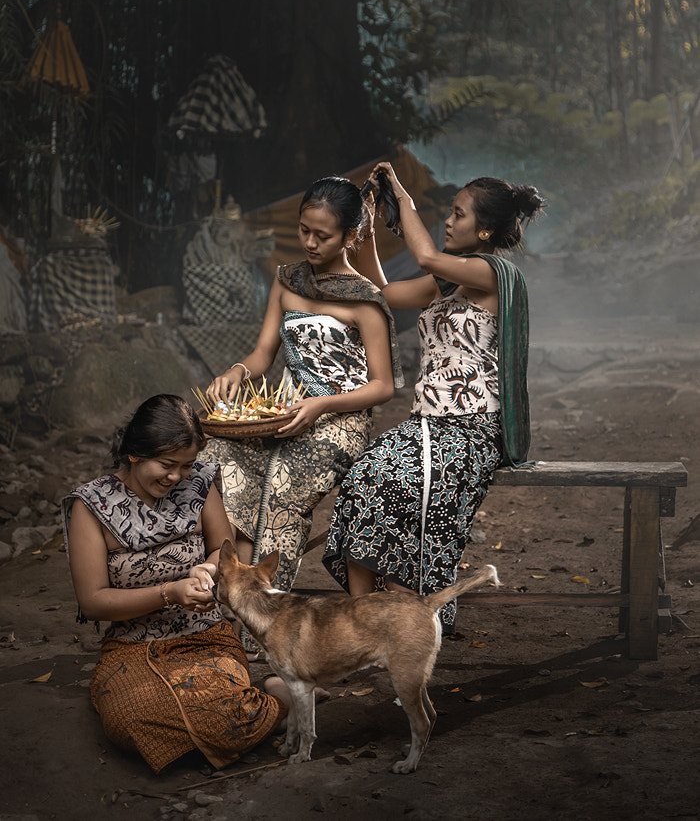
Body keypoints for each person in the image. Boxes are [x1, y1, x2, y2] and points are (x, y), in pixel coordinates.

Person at [323, 162, 544, 633]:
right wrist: (363, 233)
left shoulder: (491, 273)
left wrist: (403, 198)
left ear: (484, 231)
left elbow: (424, 258)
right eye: (448, 212)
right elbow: (382, 292)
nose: (448, 220)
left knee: (396, 485)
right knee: (363, 480)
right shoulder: (448, 282)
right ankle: (368, 620)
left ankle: (409, 613)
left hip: (472, 427)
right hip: (429, 423)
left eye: (458, 214)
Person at [61, 394, 289, 774]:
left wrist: (207, 570)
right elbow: (93, 601)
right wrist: (170, 594)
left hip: (206, 637)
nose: (176, 477)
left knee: (221, 712)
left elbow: (222, 549)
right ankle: (274, 704)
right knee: (131, 722)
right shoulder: (92, 505)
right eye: (167, 465)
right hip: (133, 648)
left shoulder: (199, 484)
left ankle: (275, 700)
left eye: (186, 466)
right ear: (134, 453)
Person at [203, 176, 403, 604]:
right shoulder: (287, 280)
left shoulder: (365, 299)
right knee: (217, 464)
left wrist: (322, 405)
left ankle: (269, 612)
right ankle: (231, 611)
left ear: (350, 235)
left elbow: (383, 386)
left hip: (340, 420)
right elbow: (262, 353)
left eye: (323, 235)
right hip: (283, 413)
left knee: (282, 488)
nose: (310, 243)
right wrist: (238, 370)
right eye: (304, 230)